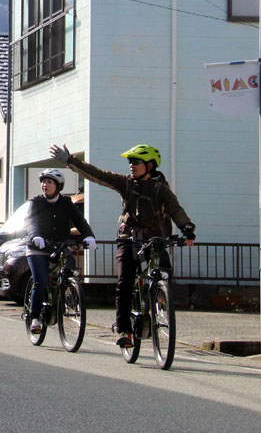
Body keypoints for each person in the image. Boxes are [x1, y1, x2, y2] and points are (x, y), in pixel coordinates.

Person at [48, 143, 195, 349]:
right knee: (125, 282)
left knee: (165, 272)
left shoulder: (161, 188)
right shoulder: (126, 183)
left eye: (136, 162)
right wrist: (71, 161)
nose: (131, 166)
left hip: (155, 238)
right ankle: (124, 329)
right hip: (129, 238)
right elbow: (98, 175)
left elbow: (175, 209)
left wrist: (187, 227)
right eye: (130, 162)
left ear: (150, 165)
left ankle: (160, 300)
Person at [25, 167, 96, 335]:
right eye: (43, 182)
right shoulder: (36, 202)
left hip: (59, 246)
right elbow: (31, 221)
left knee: (69, 270)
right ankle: (35, 318)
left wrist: (89, 235)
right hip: (38, 247)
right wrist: (35, 235)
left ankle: (64, 297)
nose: (45, 185)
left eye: (49, 182)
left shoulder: (66, 202)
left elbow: (79, 220)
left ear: (58, 185)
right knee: (40, 282)